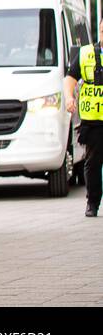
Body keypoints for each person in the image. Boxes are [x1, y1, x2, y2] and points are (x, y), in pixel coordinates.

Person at [67, 22, 103, 217]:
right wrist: (69, 97)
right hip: (93, 119)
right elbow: (70, 78)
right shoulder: (85, 53)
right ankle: (93, 202)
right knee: (93, 163)